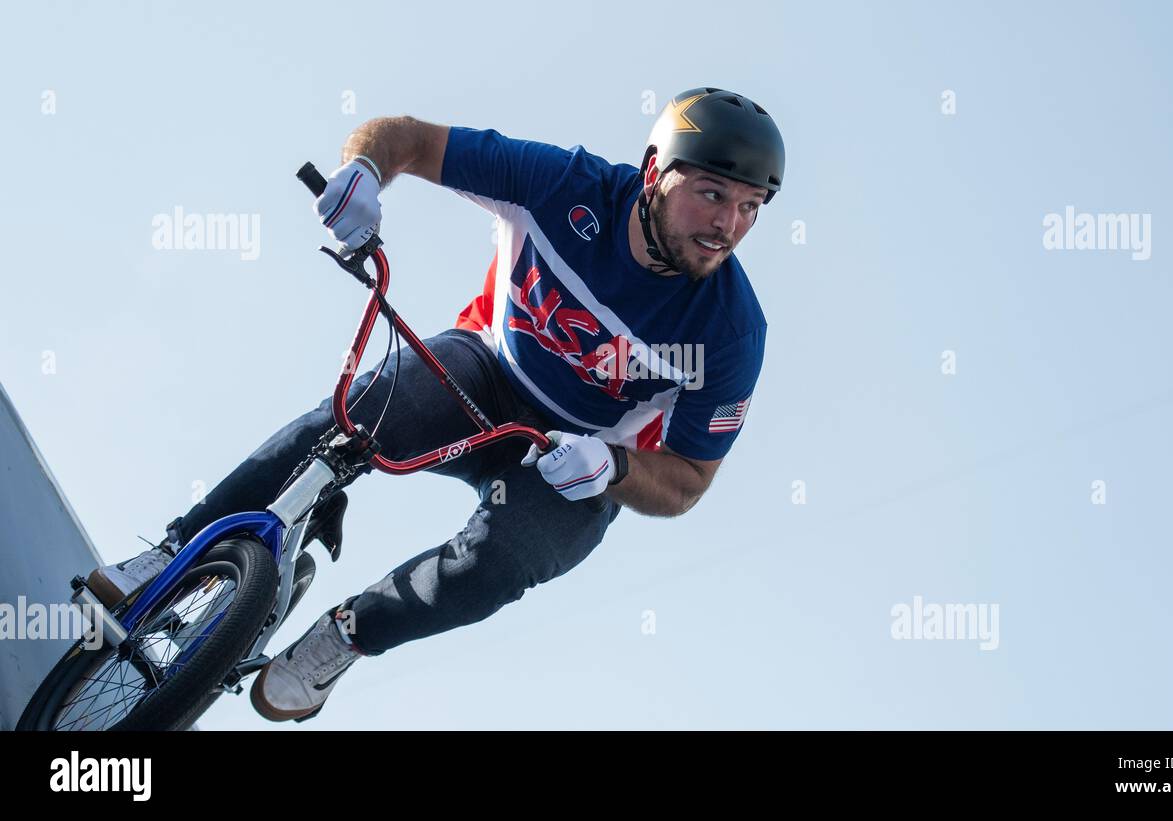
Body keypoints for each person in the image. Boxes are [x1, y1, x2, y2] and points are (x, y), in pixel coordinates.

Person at [87, 87, 784, 722]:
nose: (728, 224)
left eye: (750, 206)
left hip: (577, 456)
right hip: (482, 370)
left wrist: (616, 467)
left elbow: (690, 479)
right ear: (655, 169)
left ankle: (348, 633)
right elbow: (408, 138)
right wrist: (363, 171)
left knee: (502, 562)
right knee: (361, 408)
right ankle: (176, 553)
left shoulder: (730, 330)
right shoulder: (563, 185)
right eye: (713, 194)